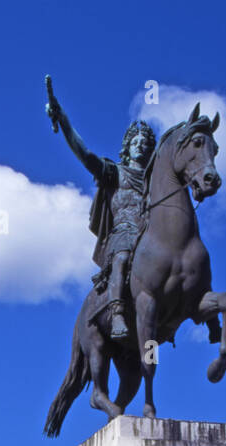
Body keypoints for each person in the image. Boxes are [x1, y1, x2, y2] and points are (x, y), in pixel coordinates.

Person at [46, 78, 155, 341]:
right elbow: (85, 155)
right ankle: (116, 312)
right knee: (122, 257)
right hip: (124, 231)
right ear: (127, 148)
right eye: (135, 142)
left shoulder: (154, 180)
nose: (140, 145)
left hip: (149, 233)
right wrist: (63, 120)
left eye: (144, 142)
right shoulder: (114, 172)